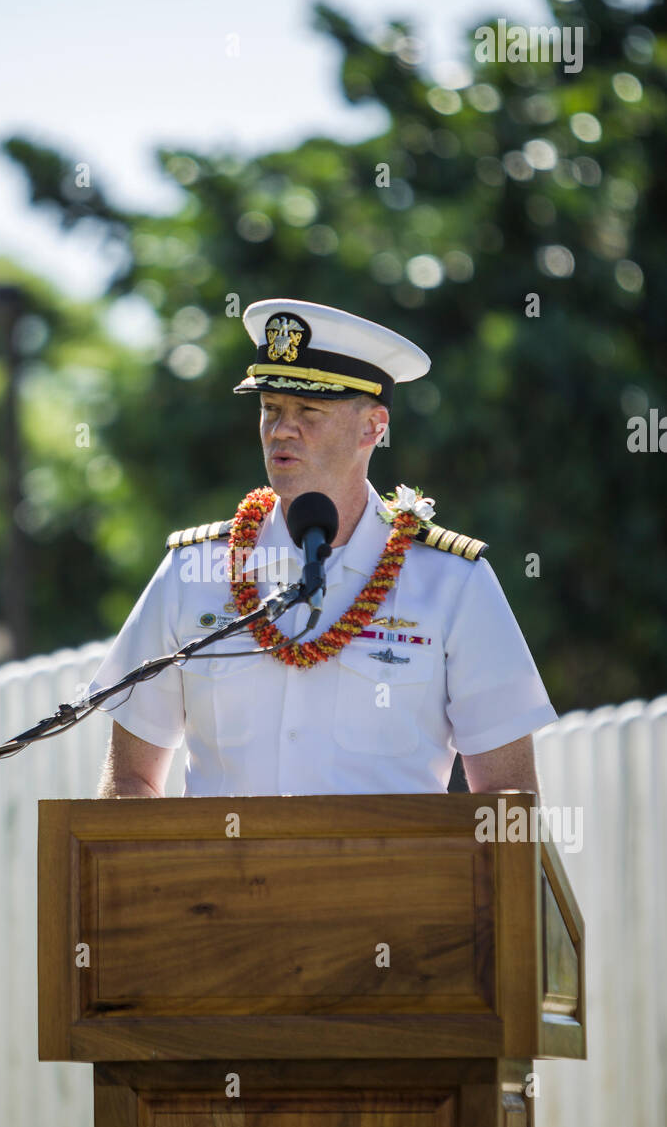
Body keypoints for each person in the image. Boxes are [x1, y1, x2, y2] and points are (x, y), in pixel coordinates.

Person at [90, 298, 557, 799]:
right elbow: (129, 781)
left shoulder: (453, 581)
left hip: (388, 877)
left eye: (309, 410)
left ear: (373, 427)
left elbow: (507, 793)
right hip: (220, 876)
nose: (281, 429)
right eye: (270, 409)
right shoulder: (192, 569)